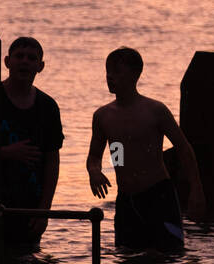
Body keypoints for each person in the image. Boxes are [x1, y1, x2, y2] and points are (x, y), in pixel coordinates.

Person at [86, 47, 206, 252]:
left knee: (169, 259)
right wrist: (94, 172)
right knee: (126, 262)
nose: (110, 77)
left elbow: (184, 149)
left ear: (135, 74)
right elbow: (94, 156)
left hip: (159, 196)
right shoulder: (103, 116)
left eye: (117, 72)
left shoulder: (155, 111)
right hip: (126, 200)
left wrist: (196, 190)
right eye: (108, 72)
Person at [0, 37, 64, 251]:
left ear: (40, 66)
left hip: (31, 204)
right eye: (19, 56)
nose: (24, 62)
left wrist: (44, 211)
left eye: (31, 58)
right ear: (7, 61)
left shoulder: (48, 106)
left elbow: (52, 161)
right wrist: (5, 153)